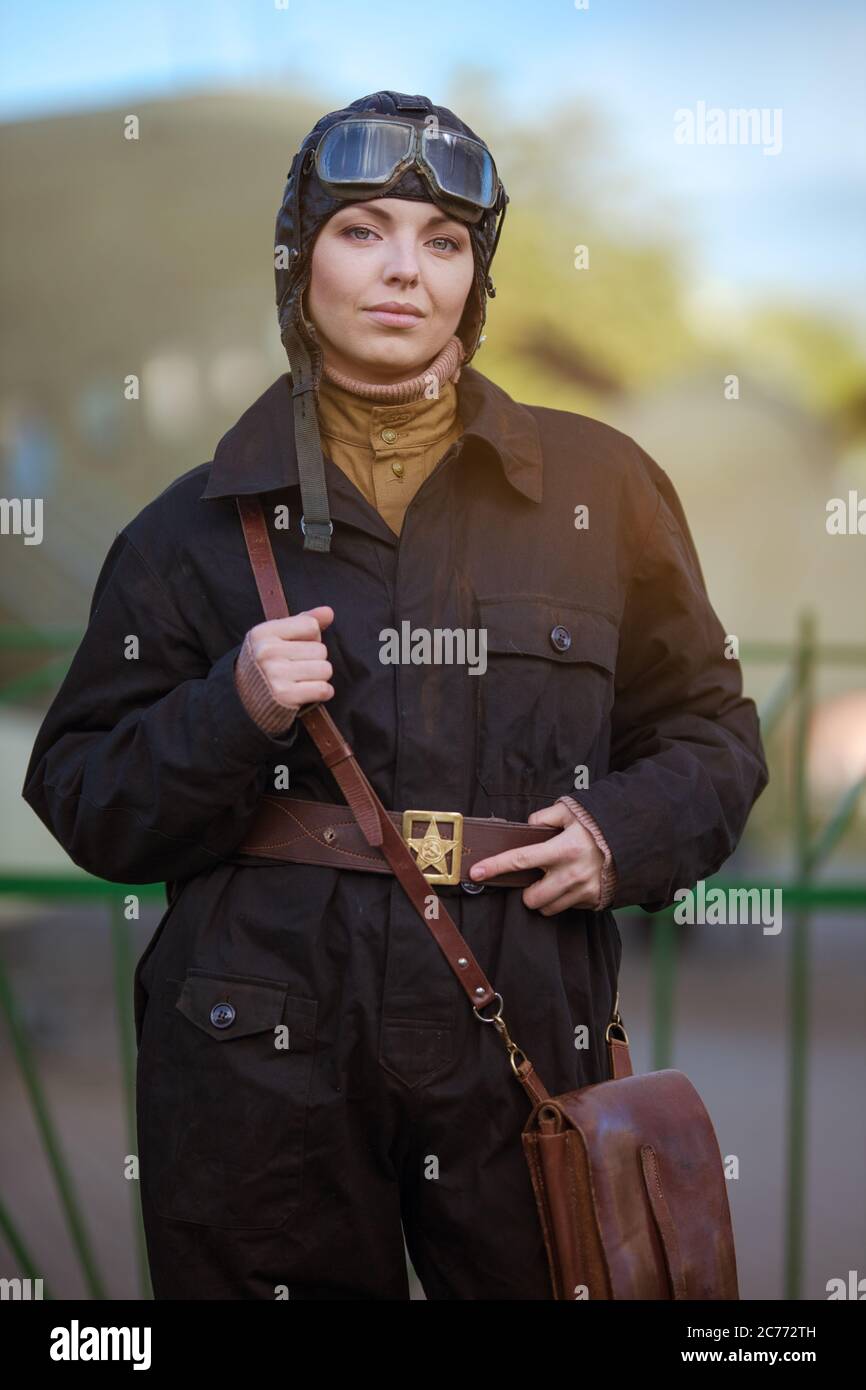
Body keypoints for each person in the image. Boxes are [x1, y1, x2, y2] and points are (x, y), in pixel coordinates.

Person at [21, 90, 769, 1300]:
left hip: (517, 1017)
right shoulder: (189, 530)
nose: (402, 271)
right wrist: (232, 706)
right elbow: (82, 793)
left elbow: (711, 732)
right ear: (299, 261)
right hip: (254, 1044)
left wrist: (623, 832)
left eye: (442, 242)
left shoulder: (601, 488)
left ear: (474, 280)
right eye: (360, 230)